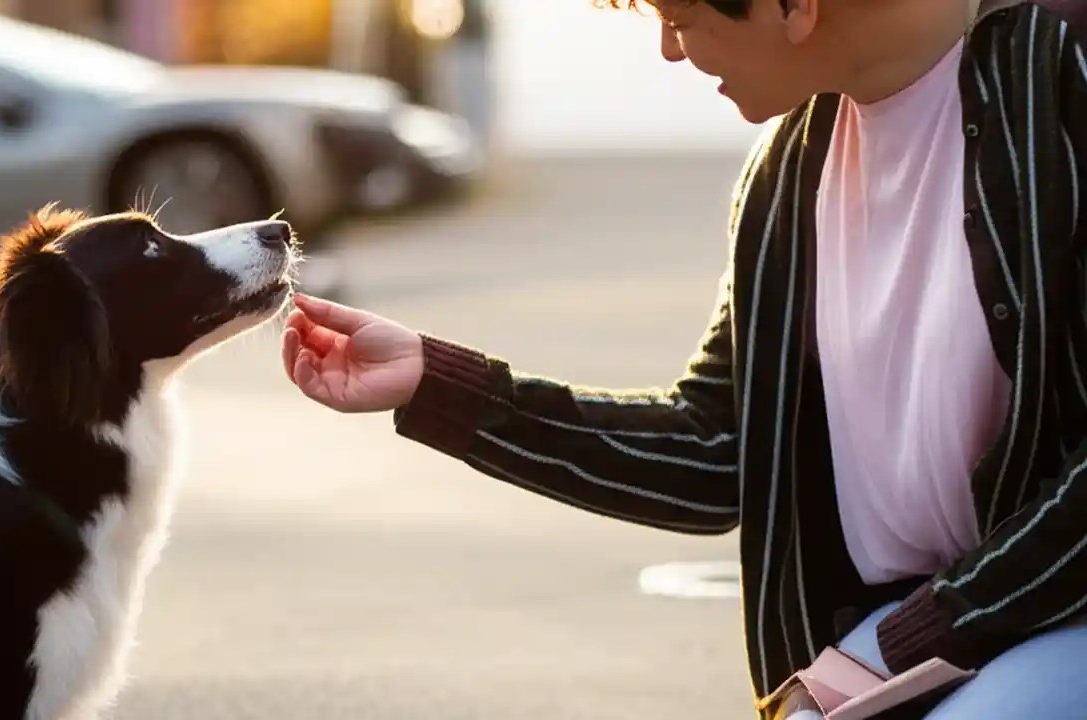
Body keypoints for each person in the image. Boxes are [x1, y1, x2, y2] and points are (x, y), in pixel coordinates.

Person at [281, 0, 1087, 717]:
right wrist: (437, 381)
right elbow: (715, 449)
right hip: (915, 628)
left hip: (1046, 614)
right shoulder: (787, 170)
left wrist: (901, 646)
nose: (670, 52)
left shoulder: (1062, 80)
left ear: (795, 7)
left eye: (680, 20)